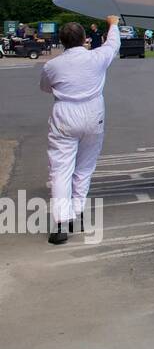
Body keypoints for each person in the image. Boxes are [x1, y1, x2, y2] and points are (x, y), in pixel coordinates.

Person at [39, 16, 121, 244]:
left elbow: (45, 87)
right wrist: (113, 24)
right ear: (85, 39)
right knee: (84, 168)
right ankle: (78, 213)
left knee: (61, 169)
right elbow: (113, 44)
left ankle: (60, 224)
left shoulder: (53, 65)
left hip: (65, 113)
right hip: (93, 113)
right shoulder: (96, 57)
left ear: (61, 41)